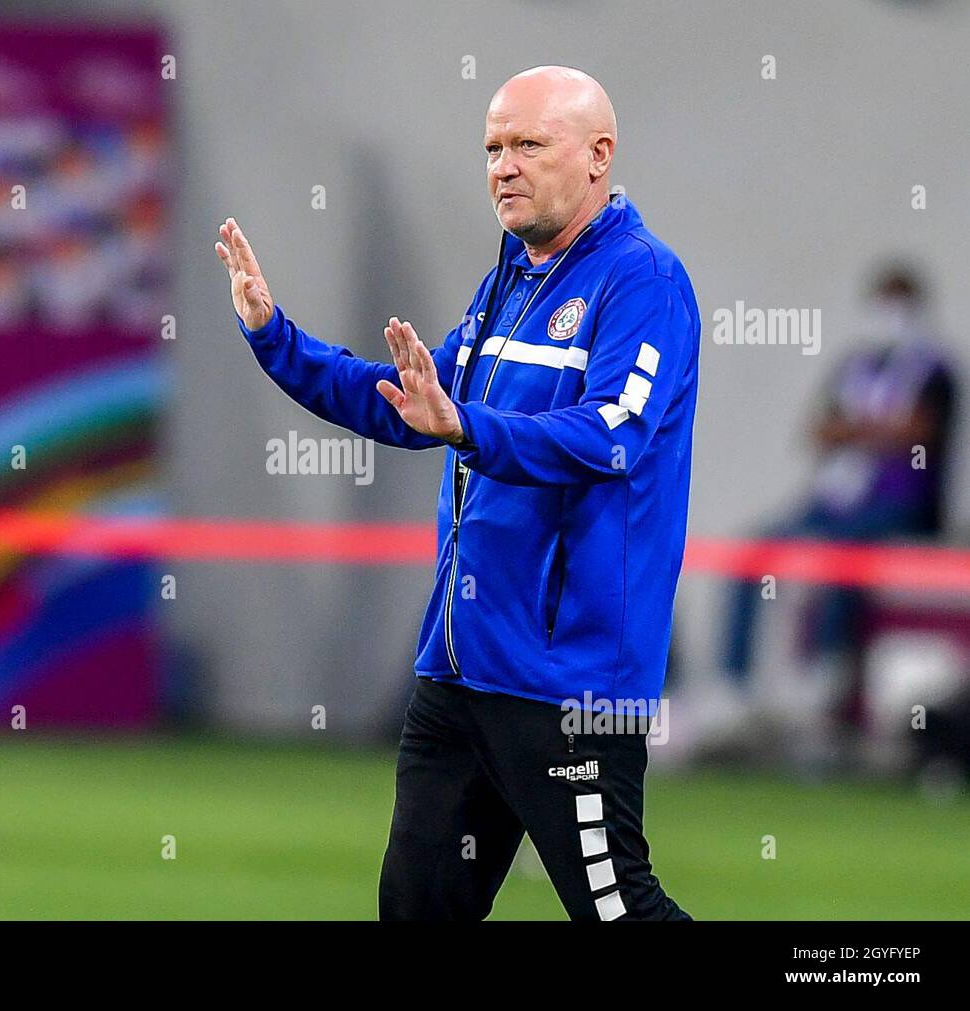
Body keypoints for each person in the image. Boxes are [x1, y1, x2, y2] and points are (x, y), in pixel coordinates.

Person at [216, 66, 698, 921]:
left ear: (598, 156)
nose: (502, 167)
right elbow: (417, 406)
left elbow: (611, 435)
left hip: (569, 684)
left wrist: (469, 427)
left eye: (527, 145)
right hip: (459, 670)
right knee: (416, 909)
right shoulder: (511, 280)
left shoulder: (645, 283)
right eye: (492, 148)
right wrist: (273, 337)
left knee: (620, 909)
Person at [719, 267, 958, 706]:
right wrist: (874, 431)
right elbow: (819, 430)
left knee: (840, 557)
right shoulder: (855, 367)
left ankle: (825, 678)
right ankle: (734, 686)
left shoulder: (933, 371)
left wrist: (859, 431)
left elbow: (919, 433)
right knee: (755, 551)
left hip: (898, 503)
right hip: (837, 501)